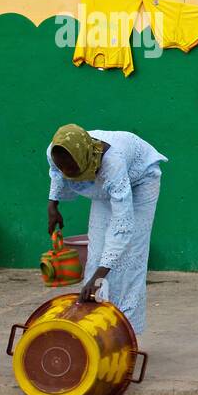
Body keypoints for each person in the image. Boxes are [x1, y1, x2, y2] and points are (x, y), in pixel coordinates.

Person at [46, 125, 165, 334]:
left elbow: (123, 226)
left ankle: (125, 335)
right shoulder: (56, 149)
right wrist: (53, 204)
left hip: (140, 180)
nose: (67, 174)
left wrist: (99, 277)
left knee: (130, 259)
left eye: (72, 171)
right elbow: (56, 172)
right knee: (96, 252)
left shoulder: (113, 163)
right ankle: (97, 327)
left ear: (84, 162)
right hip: (100, 183)